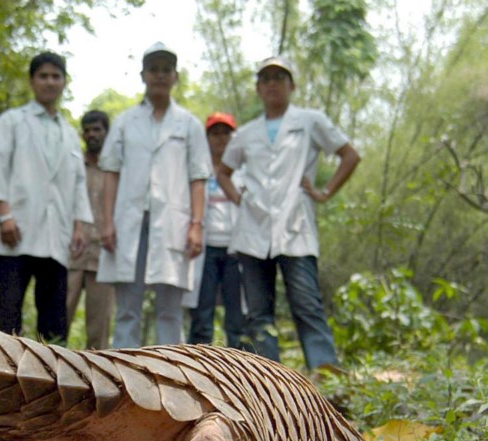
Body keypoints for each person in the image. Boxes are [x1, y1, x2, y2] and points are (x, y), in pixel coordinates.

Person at [219, 57, 360, 372]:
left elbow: (349, 155)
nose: (272, 83)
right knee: (258, 313)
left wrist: (325, 192)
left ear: (291, 85)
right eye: (266, 78)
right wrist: (238, 199)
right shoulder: (245, 133)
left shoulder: (310, 120)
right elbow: (224, 171)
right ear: (258, 88)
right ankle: (270, 381)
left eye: (279, 77)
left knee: (307, 304)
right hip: (253, 227)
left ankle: (328, 379)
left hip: (295, 223)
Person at [98, 43, 211, 349]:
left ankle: (171, 376)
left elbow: (198, 178)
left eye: (166, 70)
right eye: (154, 70)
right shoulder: (124, 122)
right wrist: (107, 222)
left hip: (174, 222)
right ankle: (122, 375)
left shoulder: (189, 125)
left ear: (175, 77)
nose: (160, 75)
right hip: (129, 221)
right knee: (127, 309)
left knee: (170, 310)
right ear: (143, 75)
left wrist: (196, 224)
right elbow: (110, 173)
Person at [0, 52, 90, 344]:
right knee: (10, 314)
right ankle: (5, 378)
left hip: (57, 236)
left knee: (54, 320)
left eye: (56, 76)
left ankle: (53, 381)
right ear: (32, 81)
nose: (50, 82)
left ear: (64, 82)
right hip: (16, 231)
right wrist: (4, 215)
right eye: (43, 75)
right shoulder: (12, 121)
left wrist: (79, 226)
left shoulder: (69, 134)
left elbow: (78, 183)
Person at [186, 112, 245, 348]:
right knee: (202, 314)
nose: (221, 139)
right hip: (205, 248)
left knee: (237, 315)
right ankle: (197, 366)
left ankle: (242, 369)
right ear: (207, 137)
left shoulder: (245, 168)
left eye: (225, 133)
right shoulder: (198, 169)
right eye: (215, 134)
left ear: (234, 136)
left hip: (236, 249)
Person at [66, 110, 116, 349]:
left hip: (105, 256)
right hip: (72, 252)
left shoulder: (116, 169)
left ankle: (95, 385)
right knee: (58, 321)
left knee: (99, 332)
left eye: (97, 129)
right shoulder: (73, 165)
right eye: (87, 130)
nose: (92, 134)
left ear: (107, 132)